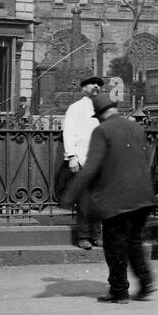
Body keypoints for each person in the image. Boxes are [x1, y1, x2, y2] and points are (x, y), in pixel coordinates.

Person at [60, 92, 157, 304]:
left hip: (117, 200)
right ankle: (146, 281)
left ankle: (119, 291)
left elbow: (90, 168)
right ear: (114, 108)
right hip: (142, 196)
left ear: (99, 115)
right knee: (134, 242)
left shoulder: (102, 131)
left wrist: (70, 195)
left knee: (114, 246)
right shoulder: (136, 127)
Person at [61, 76, 105, 249]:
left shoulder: (103, 108)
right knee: (85, 199)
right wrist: (71, 156)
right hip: (81, 156)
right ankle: (83, 236)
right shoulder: (76, 108)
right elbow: (69, 132)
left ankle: (97, 235)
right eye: (92, 84)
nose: (96, 86)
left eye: (99, 85)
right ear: (83, 88)